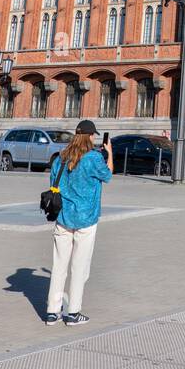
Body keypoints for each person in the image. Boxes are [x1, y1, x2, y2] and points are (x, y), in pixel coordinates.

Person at [45, 119, 113, 327]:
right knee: (79, 267)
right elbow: (108, 175)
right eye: (94, 135)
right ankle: (73, 312)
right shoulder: (93, 158)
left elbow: (52, 183)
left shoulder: (61, 157)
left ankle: (52, 312)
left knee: (59, 266)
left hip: (63, 217)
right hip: (86, 218)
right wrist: (109, 154)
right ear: (90, 136)